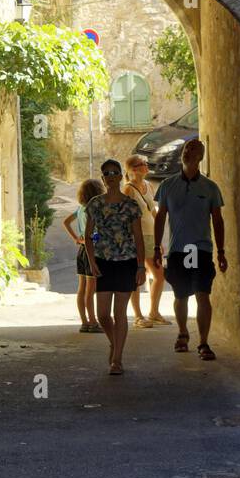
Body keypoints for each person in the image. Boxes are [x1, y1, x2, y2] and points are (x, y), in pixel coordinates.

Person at [153, 137, 226, 360]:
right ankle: (183, 333)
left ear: (200, 157)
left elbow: (218, 220)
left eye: (193, 150)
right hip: (178, 250)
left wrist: (221, 252)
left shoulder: (210, 188)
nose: (188, 152)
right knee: (181, 294)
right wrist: (157, 247)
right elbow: (160, 217)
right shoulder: (167, 186)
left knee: (202, 294)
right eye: (186, 148)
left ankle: (203, 343)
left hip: (200, 249)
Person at [84, 159, 145, 375]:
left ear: (120, 176)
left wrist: (140, 267)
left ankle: (117, 360)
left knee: (120, 313)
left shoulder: (130, 206)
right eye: (106, 173)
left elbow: (138, 237)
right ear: (103, 178)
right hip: (103, 262)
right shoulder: (95, 204)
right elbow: (89, 236)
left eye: (114, 172)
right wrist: (91, 262)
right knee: (102, 314)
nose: (110, 176)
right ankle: (114, 342)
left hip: (126, 262)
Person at [123, 154, 170, 327]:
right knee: (137, 276)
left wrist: (159, 241)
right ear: (134, 169)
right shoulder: (128, 190)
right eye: (143, 163)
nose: (146, 165)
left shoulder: (149, 186)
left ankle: (154, 312)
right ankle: (138, 316)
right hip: (136, 238)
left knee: (159, 275)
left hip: (150, 236)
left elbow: (153, 212)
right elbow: (125, 217)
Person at [63, 178, 104, 333]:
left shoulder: (80, 209)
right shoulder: (93, 210)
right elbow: (95, 233)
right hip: (91, 249)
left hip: (81, 250)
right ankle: (93, 322)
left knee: (81, 288)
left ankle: (85, 321)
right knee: (90, 289)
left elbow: (66, 222)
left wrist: (76, 238)